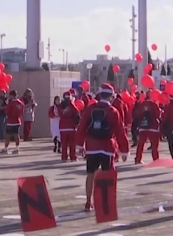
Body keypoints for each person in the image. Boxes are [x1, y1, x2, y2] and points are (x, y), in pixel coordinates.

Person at [75, 83, 129, 212]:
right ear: (111, 96)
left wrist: (79, 145)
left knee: (90, 174)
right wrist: (124, 150)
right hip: (107, 147)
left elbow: (82, 127)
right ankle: (106, 202)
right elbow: (120, 131)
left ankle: (88, 202)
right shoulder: (113, 111)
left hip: (92, 145)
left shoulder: (90, 108)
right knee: (107, 176)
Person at [133, 95, 161, 164]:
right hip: (153, 127)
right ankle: (155, 159)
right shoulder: (154, 104)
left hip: (143, 126)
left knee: (141, 144)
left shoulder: (141, 105)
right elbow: (157, 114)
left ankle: (138, 159)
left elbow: (138, 115)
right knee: (154, 145)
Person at [0, 90, 24, 154]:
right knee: (16, 134)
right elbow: (22, 111)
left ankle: (5, 148)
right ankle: (17, 148)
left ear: (11, 95)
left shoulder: (11, 103)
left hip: (11, 121)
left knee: (7, 135)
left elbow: (7, 112)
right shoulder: (20, 103)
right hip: (17, 120)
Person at [58, 92, 80, 161]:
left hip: (62, 127)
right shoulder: (71, 105)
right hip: (71, 127)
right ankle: (73, 157)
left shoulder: (60, 106)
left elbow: (60, 114)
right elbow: (77, 112)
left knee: (64, 144)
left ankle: (64, 157)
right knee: (72, 144)